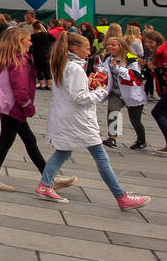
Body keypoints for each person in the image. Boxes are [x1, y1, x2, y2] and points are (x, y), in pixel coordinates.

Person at [35, 31, 150, 209]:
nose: (89, 52)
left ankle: (45, 183)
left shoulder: (63, 63)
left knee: (64, 152)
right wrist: (100, 91)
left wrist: (88, 83)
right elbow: (80, 97)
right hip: (79, 119)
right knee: (101, 157)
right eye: (87, 48)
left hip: (67, 116)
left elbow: (71, 91)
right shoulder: (75, 68)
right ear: (75, 48)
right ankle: (121, 197)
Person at [0, 26, 75, 192]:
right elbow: (20, 87)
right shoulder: (19, 60)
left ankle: (49, 176)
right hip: (15, 106)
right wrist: (27, 105)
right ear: (19, 41)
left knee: (28, 140)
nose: (31, 42)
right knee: (8, 140)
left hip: (7, 105)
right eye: (28, 39)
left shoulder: (4, 57)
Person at [101, 36, 146, 150]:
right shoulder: (108, 58)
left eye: (113, 45)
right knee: (113, 112)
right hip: (116, 92)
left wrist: (119, 69)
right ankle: (113, 138)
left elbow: (135, 75)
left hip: (132, 93)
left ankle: (141, 140)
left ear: (121, 47)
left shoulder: (130, 58)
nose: (110, 47)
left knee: (135, 120)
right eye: (109, 44)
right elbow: (105, 71)